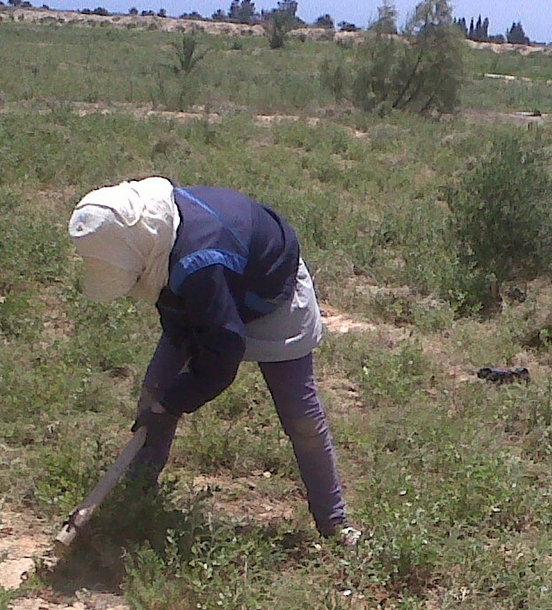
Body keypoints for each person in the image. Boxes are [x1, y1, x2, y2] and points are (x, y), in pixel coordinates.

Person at [67, 176, 360, 546]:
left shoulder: (196, 259)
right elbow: (178, 307)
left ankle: (334, 524)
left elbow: (223, 355)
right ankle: (136, 498)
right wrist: (161, 400)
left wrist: (173, 403)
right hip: (214, 288)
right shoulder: (155, 242)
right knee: (154, 392)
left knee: (301, 418)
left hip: (270, 292)